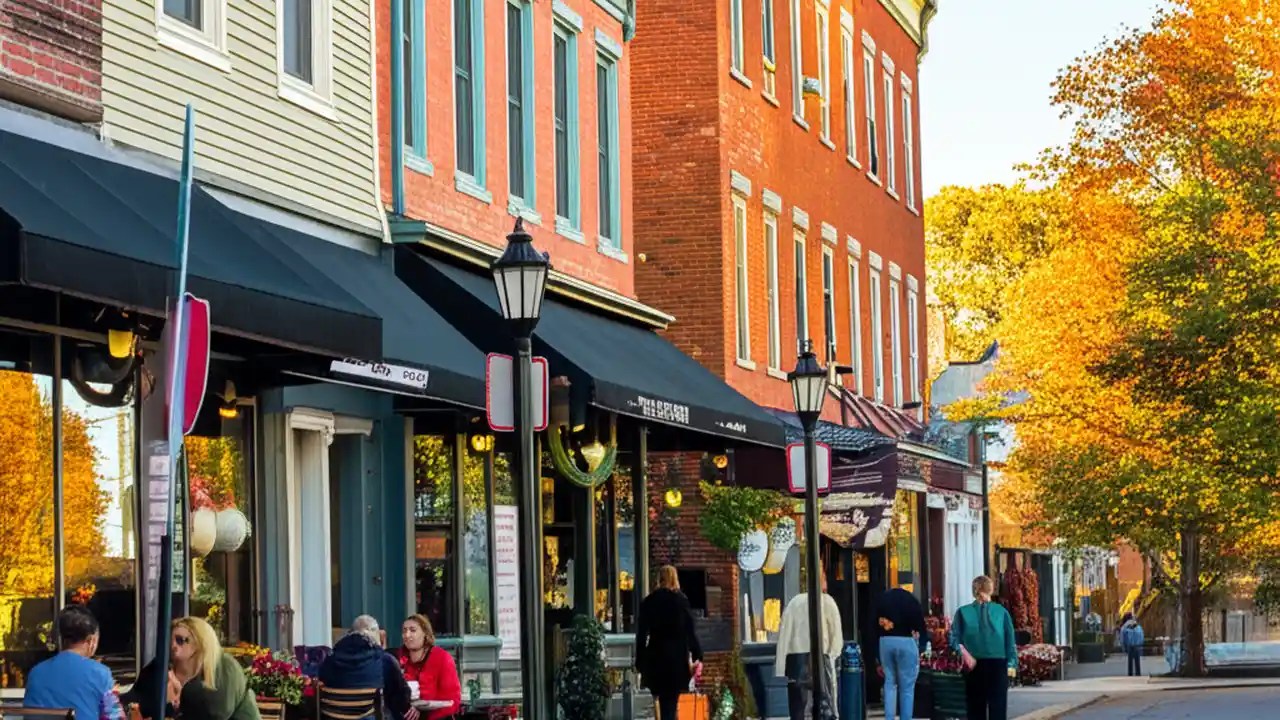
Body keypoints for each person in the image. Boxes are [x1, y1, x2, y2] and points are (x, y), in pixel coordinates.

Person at [123, 617, 259, 720]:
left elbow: (215, 713)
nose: (173, 645)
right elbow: (136, 695)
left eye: (180, 640)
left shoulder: (223, 666)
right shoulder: (161, 666)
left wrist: (173, 705)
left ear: (199, 642)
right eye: (170, 640)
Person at [24, 606, 124, 720]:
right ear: (91, 641)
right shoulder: (100, 673)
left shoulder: (36, 673)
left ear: (61, 638)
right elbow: (115, 717)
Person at [636, 566, 703, 720]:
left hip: (655, 657)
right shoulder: (681, 601)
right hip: (676, 659)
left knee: (659, 700)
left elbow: (641, 634)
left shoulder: (649, 602)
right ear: (675, 579)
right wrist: (698, 654)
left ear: (659, 579)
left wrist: (640, 661)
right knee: (670, 702)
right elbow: (690, 632)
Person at [775, 567, 842, 720]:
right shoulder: (827, 602)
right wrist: (833, 654)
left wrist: (781, 665)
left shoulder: (793, 603)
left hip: (795, 658)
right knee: (824, 704)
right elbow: (836, 634)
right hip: (820, 656)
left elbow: (784, 634)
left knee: (797, 707)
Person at [319, 615, 413, 720]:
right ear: (377, 635)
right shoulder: (383, 660)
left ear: (349, 633)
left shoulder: (328, 659)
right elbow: (403, 699)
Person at [950, 576, 1018, 720]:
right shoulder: (1001, 612)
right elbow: (1010, 640)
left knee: (975, 708)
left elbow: (954, 638)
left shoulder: (963, 612)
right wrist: (1012, 663)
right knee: (998, 707)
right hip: (998, 662)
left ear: (975, 590)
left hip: (974, 663)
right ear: (990, 589)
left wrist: (963, 652)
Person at [875, 587, 926, 720]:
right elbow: (920, 625)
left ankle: (889, 717)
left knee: (890, 683)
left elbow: (872, 625)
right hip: (906, 641)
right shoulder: (911, 600)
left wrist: (876, 656)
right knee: (907, 687)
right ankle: (906, 717)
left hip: (885, 642)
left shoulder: (882, 600)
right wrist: (922, 646)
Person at [396, 615, 461, 720]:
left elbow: (453, 701)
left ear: (425, 634)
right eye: (404, 631)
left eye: (413, 630)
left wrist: (421, 709)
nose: (407, 635)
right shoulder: (397, 658)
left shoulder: (442, 658)